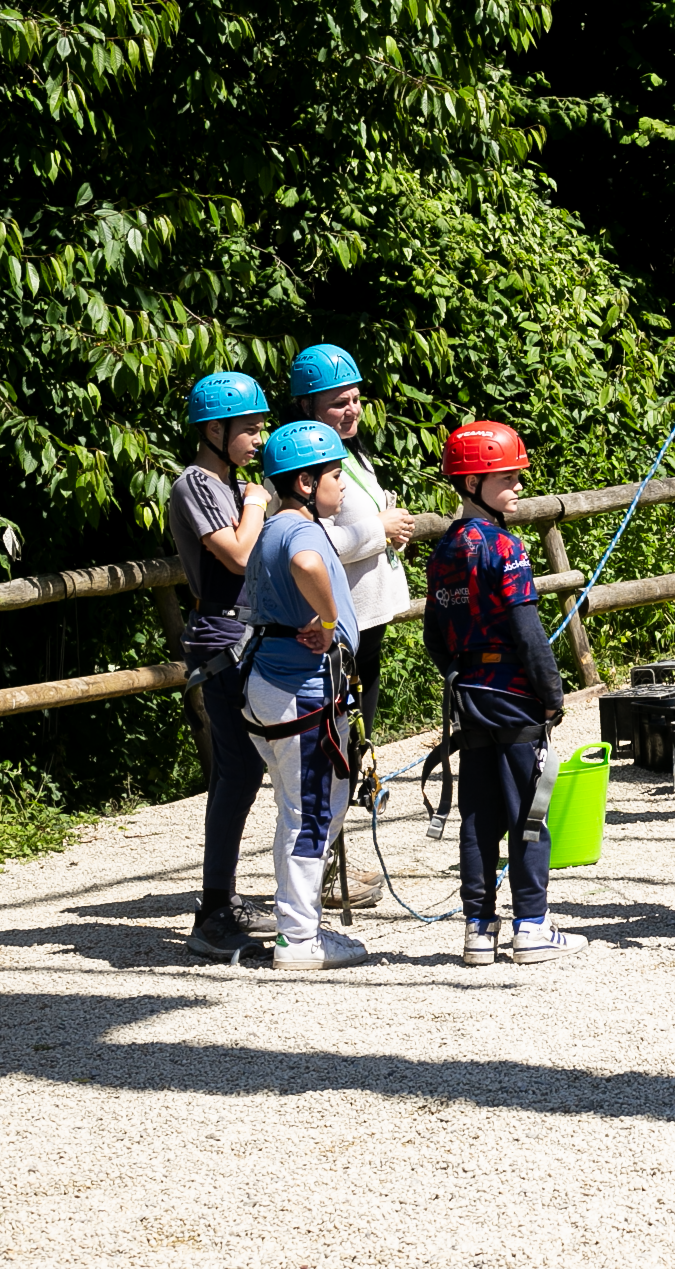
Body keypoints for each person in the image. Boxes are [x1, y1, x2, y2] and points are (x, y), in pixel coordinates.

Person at [425, 420, 582, 966]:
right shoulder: (505, 548)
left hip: (469, 695)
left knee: (478, 814)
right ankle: (532, 925)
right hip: (514, 695)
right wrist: (551, 694)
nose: (517, 486)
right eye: (506, 477)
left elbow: (432, 635)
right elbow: (528, 631)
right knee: (530, 812)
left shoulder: (444, 548)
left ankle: (477, 929)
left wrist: (464, 671)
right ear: (472, 485)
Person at [287, 342, 417, 912]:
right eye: (339, 401)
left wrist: (390, 528)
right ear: (309, 404)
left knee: (359, 735)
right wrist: (379, 529)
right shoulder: (299, 468)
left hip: (371, 616)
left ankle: (339, 856)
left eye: (356, 398)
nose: (352, 409)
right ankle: (326, 863)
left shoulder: (351, 456)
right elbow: (309, 544)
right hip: (340, 622)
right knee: (338, 738)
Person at [241, 420, 369, 971]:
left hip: (272, 686)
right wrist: (330, 617)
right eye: (335, 475)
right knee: (310, 813)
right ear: (304, 483)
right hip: (301, 691)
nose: (341, 486)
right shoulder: (302, 533)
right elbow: (308, 565)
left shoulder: (271, 527)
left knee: (303, 809)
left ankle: (302, 925)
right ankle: (298, 938)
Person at [170, 372, 278, 961]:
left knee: (253, 769)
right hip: (221, 639)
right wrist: (259, 504)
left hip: (251, 632)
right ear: (215, 430)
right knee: (236, 770)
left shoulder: (234, 482)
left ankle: (224, 898)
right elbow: (236, 555)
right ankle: (212, 912)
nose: (260, 437)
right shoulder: (196, 484)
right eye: (250, 427)